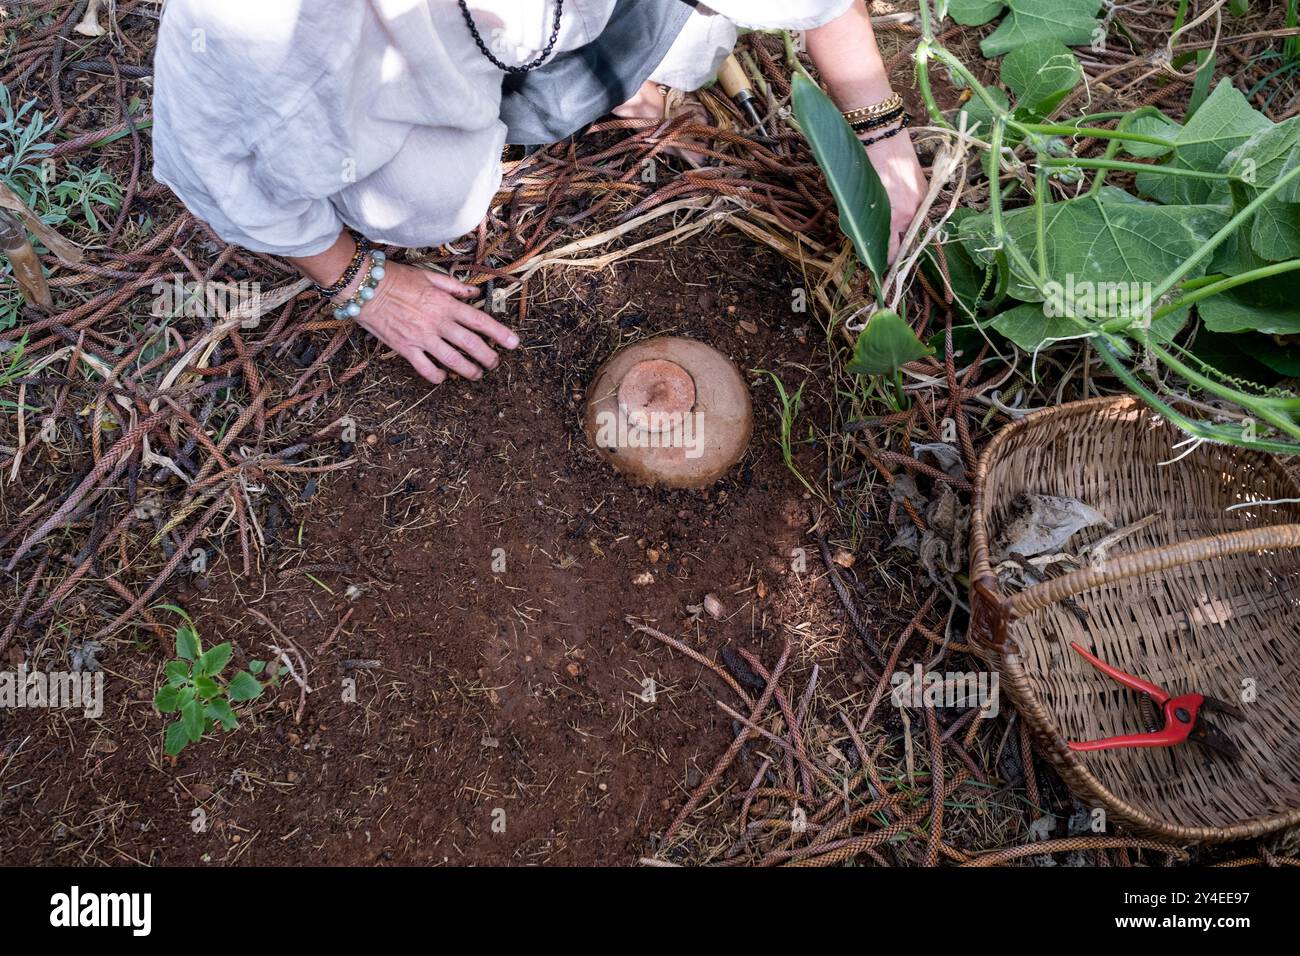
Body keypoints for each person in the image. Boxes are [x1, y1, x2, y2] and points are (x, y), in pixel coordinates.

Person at [153, 0, 927, 386]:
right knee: (431, 202)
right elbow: (216, 156)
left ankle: (593, 80)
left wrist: (884, 139)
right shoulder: (268, 27)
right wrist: (362, 284)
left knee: (688, 43)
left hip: (525, 32)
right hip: (386, 65)